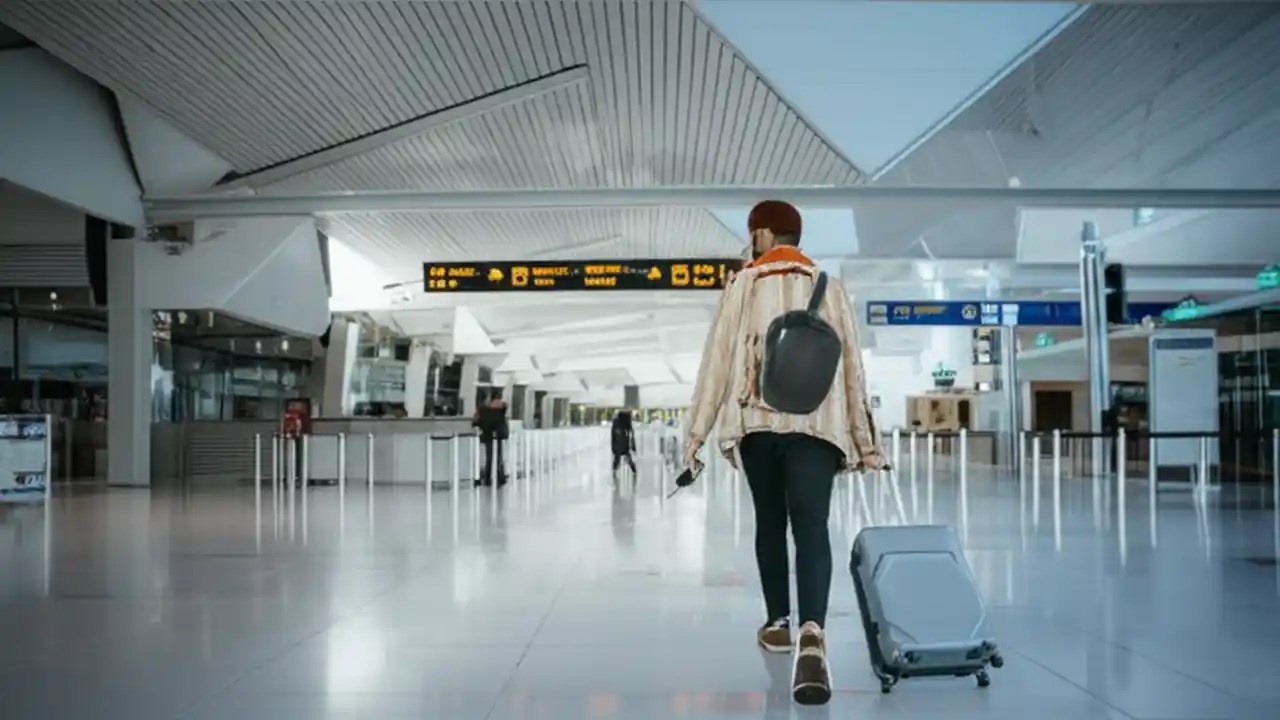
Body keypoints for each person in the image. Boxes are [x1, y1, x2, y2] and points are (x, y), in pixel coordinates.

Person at [684, 199, 888, 706]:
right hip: (818, 427)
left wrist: (695, 436)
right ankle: (813, 631)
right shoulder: (831, 287)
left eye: (754, 232)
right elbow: (851, 370)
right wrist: (867, 442)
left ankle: (778, 623)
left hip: (757, 423)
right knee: (812, 526)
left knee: (770, 523)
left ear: (764, 234)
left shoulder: (743, 286)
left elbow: (717, 362)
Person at [472, 392, 509, 487]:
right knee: (497, 456)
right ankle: (498, 475)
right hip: (496, 435)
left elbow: (476, 422)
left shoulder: (484, 411)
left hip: (489, 434)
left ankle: (490, 476)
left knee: (491, 456)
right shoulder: (500, 409)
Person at [610, 411, 638, 480]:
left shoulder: (616, 422)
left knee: (617, 458)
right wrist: (633, 445)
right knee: (627, 457)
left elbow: (613, 434)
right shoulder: (626, 423)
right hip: (624, 443)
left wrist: (613, 445)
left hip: (617, 444)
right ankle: (633, 469)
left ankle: (614, 470)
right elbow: (631, 433)